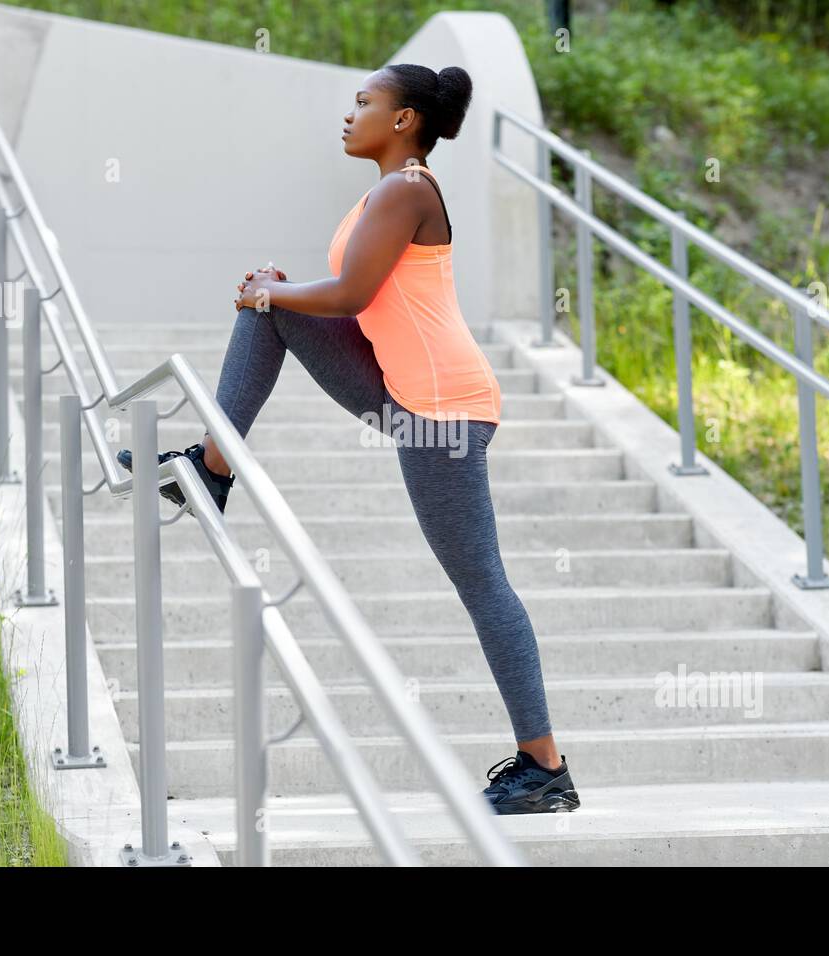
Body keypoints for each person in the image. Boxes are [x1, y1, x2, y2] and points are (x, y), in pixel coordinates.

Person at [119, 63, 579, 814]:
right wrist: (271, 292)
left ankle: (545, 766)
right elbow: (342, 307)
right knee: (270, 299)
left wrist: (269, 292)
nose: (350, 113)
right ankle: (211, 465)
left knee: (481, 583)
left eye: (365, 102)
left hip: (442, 410)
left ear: (403, 121)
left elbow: (353, 295)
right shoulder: (387, 192)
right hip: (403, 391)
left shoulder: (407, 191)